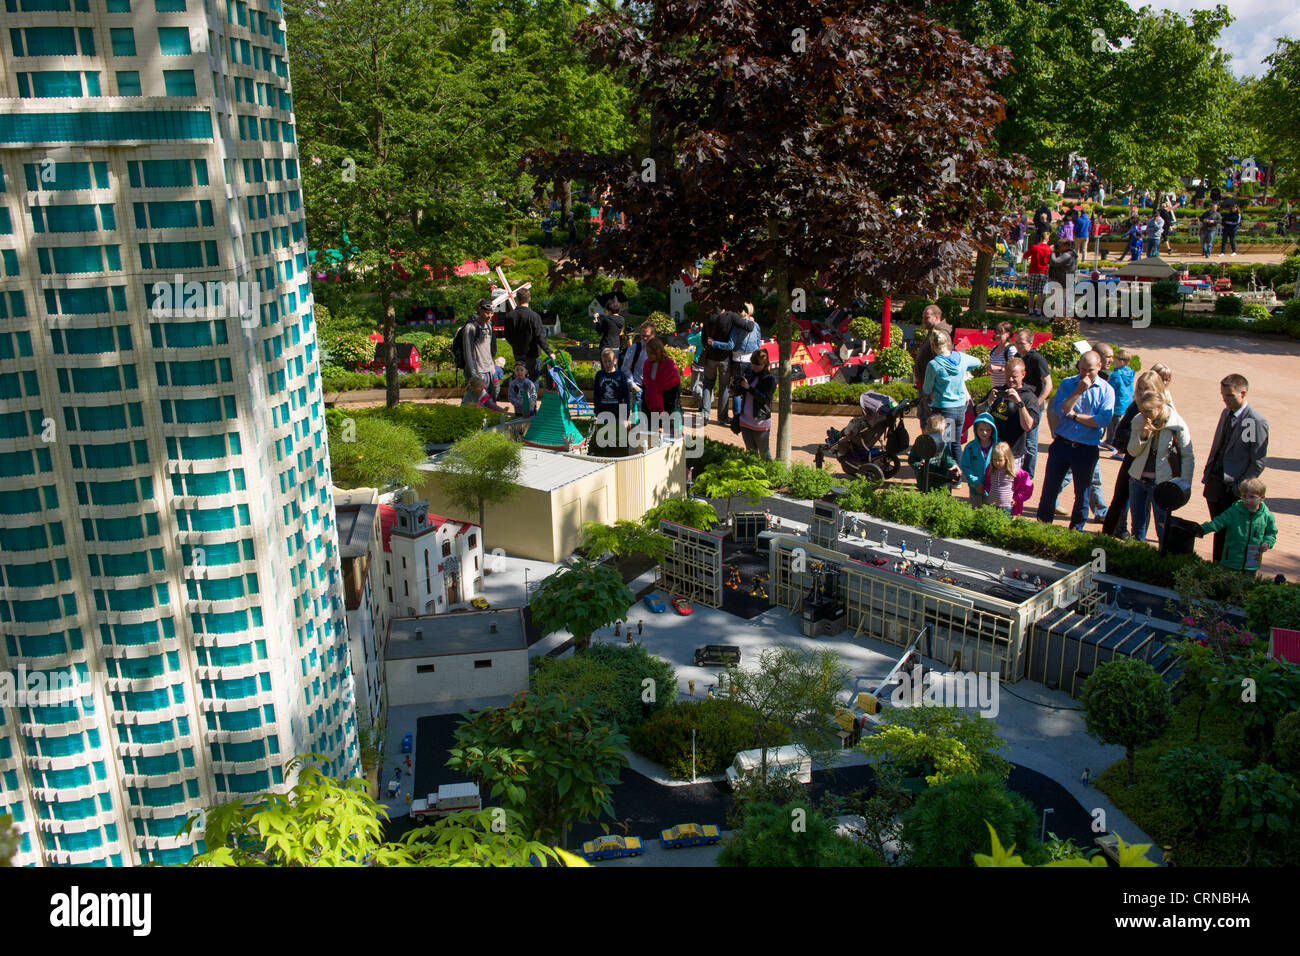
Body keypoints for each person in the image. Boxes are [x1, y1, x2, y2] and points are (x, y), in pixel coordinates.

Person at [1036, 351, 1115, 531]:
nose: (1085, 374)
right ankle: (1043, 525)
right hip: (1062, 444)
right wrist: (1078, 391)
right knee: (1050, 488)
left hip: (1086, 448)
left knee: (1083, 492)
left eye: (1090, 370)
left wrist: (1075, 416)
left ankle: (1076, 529)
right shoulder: (1068, 383)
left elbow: (1102, 420)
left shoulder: (1106, 390)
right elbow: (1061, 410)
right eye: (1083, 369)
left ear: (1099, 367)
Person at [1202, 374, 1270, 562]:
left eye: (1230, 395)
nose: (1225, 400)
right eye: (1223, 395)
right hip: (1215, 483)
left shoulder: (1254, 421)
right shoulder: (1226, 413)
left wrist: (1240, 487)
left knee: (1231, 534)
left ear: (1243, 393)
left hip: (1234, 489)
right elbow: (1218, 445)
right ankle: (1216, 568)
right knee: (1218, 530)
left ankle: (1228, 570)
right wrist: (1208, 474)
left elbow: (1257, 461)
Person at [1126, 392, 1195, 545]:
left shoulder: (1176, 424)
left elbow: (1187, 456)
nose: (1144, 414)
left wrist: (1184, 485)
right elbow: (1132, 451)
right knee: (1137, 526)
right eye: (1141, 410)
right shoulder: (1139, 420)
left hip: (1162, 484)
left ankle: (1162, 555)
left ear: (1159, 407)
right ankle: (1136, 552)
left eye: (1148, 411)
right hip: (1137, 480)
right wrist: (1143, 436)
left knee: (1163, 527)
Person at [923, 330, 982, 464]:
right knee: (956, 443)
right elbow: (978, 363)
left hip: (943, 409)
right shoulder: (961, 358)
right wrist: (963, 368)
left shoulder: (934, 364)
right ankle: (958, 474)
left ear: (933, 346)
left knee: (945, 445)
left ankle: (947, 474)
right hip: (960, 408)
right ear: (948, 343)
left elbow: (927, 389)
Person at [1197, 477, 1277, 575]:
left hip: (1252, 561)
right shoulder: (1234, 511)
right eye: (1244, 496)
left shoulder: (1267, 515)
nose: (1247, 500)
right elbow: (1218, 522)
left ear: (1262, 498)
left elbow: (1271, 533)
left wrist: (1267, 543)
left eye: (1252, 497)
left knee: (1247, 582)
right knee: (1227, 580)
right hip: (1231, 559)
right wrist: (1201, 529)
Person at [982, 356, 1040, 470]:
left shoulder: (1029, 397)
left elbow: (1028, 426)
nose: (1010, 380)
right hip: (991, 450)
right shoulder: (997, 391)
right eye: (1008, 376)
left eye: (1014, 376)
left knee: (1009, 482)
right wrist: (989, 401)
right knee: (989, 481)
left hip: (1013, 453)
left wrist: (1019, 403)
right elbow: (977, 414)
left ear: (1023, 374)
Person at [1013, 329, 1052, 479]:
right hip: (1019, 403)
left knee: (1030, 442)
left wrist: (1036, 403)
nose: (1018, 346)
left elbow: (1048, 384)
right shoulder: (1018, 357)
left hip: (1032, 406)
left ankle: (1028, 476)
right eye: (1016, 342)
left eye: (1021, 343)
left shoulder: (1038, 360)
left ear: (1031, 343)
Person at [911, 304, 953, 424]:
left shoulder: (941, 334)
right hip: (926, 387)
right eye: (923, 317)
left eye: (927, 317)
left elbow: (944, 363)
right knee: (925, 419)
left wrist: (935, 389)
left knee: (932, 422)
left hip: (932, 390)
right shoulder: (933, 332)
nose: (923, 320)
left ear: (937, 317)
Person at [699, 308, 739, 426]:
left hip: (710, 357)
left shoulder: (708, 318)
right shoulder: (729, 319)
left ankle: (705, 414)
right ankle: (722, 417)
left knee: (708, 384)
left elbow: (703, 338)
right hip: (724, 358)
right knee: (724, 387)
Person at [502, 288, 552, 381]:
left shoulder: (509, 316)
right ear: (529, 299)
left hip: (518, 353)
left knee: (520, 380)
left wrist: (515, 345)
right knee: (532, 382)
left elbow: (507, 336)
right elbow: (540, 336)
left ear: (517, 299)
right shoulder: (534, 316)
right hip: (532, 354)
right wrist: (549, 352)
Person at [734, 349, 777, 458]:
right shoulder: (750, 373)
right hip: (745, 421)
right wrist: (736, 385)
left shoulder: (770, 379)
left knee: (765, 454)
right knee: (751, 453)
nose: (754, 367)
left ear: (765, 364)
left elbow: (765, 399)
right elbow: (739, 393)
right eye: (753, 364)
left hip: (760, 423)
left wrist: (749, 388)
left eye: (757, 365)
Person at [592, 348, 633, 457]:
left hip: (617, 412)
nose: (607, 364)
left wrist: (626, 415)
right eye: (604, 361)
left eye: (609, 361)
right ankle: (605, 455)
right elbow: (596, 394)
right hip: (603, 410)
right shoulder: (599, 375)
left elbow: (626, 396)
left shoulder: (620, 375)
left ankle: (620, 455)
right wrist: (596, 411)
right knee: (604, 438)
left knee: (620, 438)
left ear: (615, 360)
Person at [727, 303, 763, 421]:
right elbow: (758, 343)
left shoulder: (736, 326)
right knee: (749, 388)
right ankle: (747, 415)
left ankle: (737, 416)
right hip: (751, 360)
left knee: (736, 389)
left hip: (737, 360)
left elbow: (731, 343)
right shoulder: (755, 325)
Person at [640, 337, 681, 436]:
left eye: (650, 353)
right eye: (647, 352)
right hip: (651, 406)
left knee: (668, 437)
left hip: (667, 406)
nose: (648, 355)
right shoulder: (647, 364)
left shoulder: (669, 365)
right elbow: (646, 386)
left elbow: (675, 389)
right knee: (652, 437)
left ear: (657, 352)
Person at [908, 413, 961, 488]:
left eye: (940, 434)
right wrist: (918, 465)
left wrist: (953, 465)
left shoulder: (943, 443)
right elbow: (912, 459)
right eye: (934, 434)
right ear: (927, 430)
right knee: (925, 492)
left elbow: (947, 458)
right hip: (923, 477)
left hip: (939, 477)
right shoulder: (921, 443)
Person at [960, 412, 998, 506]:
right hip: (975, 488)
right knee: (975, 510)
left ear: (993, 430)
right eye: (981, 429)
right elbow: (965, 466)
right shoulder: (970, 447)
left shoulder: (997, 448)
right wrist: (976, 482)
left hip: (992, 490)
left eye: (988, 430)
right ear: (975, 429)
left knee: (990, 511)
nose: (984, 432)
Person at [986, 441, 1033, 515]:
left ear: (1007, 458)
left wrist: (1017, 498)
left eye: (1000, 460)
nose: (997, 462)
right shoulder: (991, 469)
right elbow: (987, 482)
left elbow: (1027, 485)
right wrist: (989, 492)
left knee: (1006, 522)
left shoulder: (1014, 470)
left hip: (1006, 506)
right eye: (994, 459)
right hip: (991, 504)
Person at [463, 299, 499, 389]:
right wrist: (474, 374)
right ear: (480, 310)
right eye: (487, 313)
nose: (489, 316)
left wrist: (492, 367)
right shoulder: (471, 328)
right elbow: (468, 353)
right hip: (477, 372)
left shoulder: (489, 326)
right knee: (474, 398)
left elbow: (490, 349)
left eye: (491, 313)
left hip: (489, 371)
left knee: (491, 397)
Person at [619, 320, 657, 404]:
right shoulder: (634, 348)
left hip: (652, 389)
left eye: (647, 336)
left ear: (653, 335)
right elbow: (625, 368)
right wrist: (633, 385)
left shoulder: (657, 349)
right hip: (638, 387)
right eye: (642, 336)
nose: (644, 338)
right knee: (635, 412)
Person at [1046, 236, 1078, 318]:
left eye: (1060, 246)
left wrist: (1052, 252)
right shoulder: (1071, 253)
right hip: (1065, 280)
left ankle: (1059, 319)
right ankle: (1058, 318)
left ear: (1066, 246)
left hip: (1062, 281)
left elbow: (1056, 262)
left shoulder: (1067, 255)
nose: (1059, 248)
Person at [1025, 233, 1052, 316]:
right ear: (1048, 239)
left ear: (1040, 238)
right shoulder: (1049, 249)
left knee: (1031, 293)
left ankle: (1030, 310)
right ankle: (1039, 311)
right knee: (1040, 293)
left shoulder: (1034, 247)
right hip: (1043, 272)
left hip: (1033, 272)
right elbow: (1050, 261)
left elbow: (1025, 256)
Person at [987, 321, 1016, 389]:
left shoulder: (1011, 350)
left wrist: (998, 368)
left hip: (1006, 389)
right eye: (996, 333)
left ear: (1008, 334)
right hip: (995, 388)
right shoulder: (994, 348)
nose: (997, 335)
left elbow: (1013, 370)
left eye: (1000, 333)